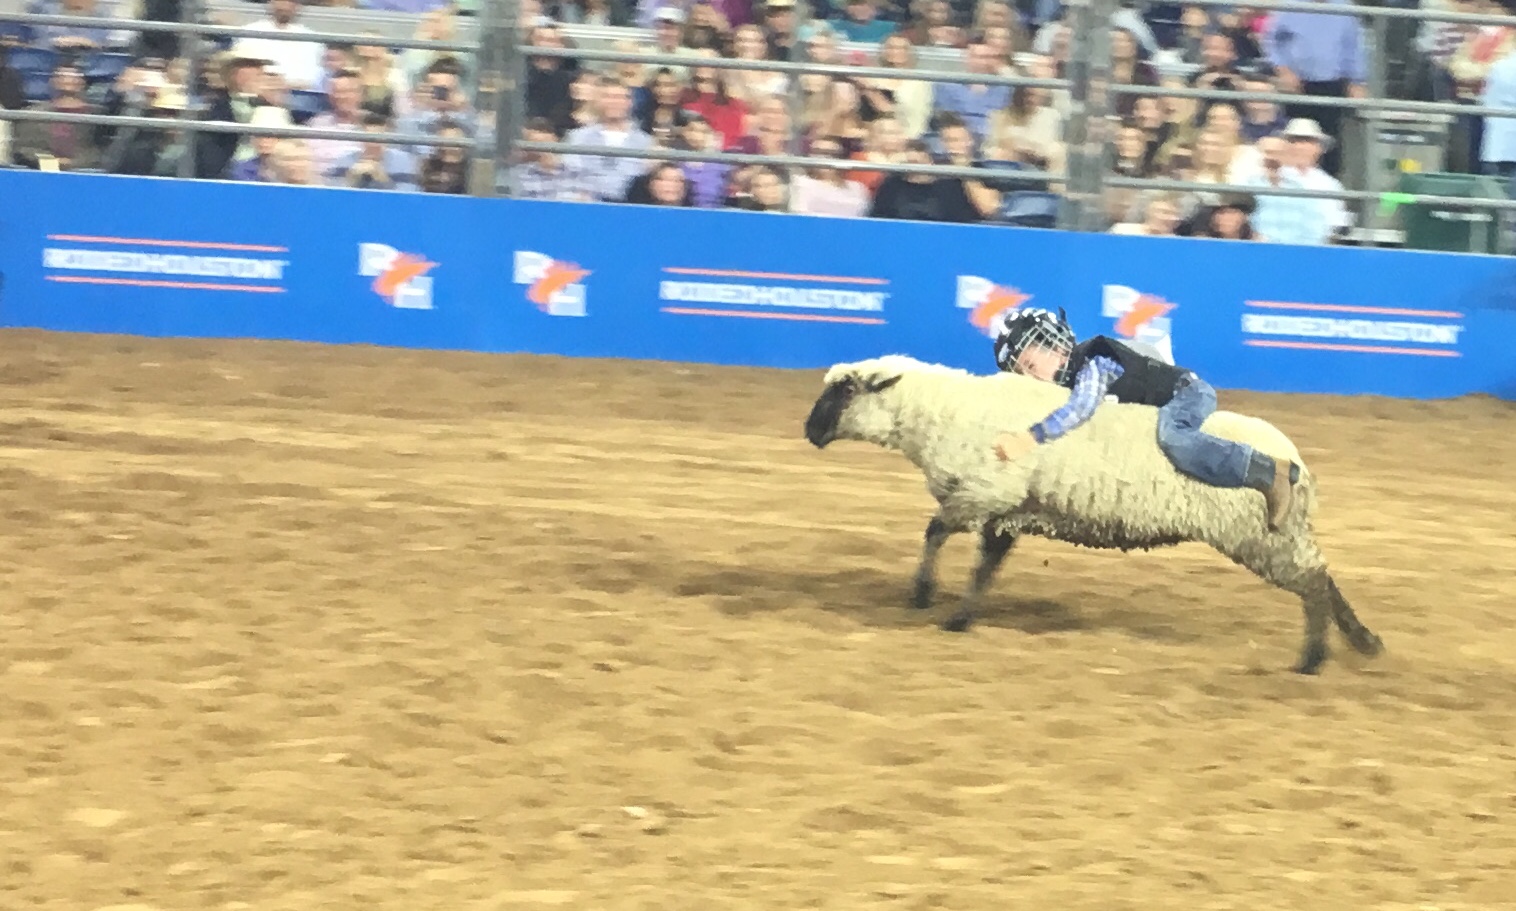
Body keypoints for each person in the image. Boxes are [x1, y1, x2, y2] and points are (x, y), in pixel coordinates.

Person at [989, 306, 1300, 530]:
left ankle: (1270, 472)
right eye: (1022, 372)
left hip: (1187, 392)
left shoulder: (1094, 362)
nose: (1031, 377)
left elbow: (1082, 408)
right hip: (1162, 402)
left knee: (1173, 438)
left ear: (1055, 344)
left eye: (1031, 364)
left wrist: (1029, 439)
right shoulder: (1070, 380)